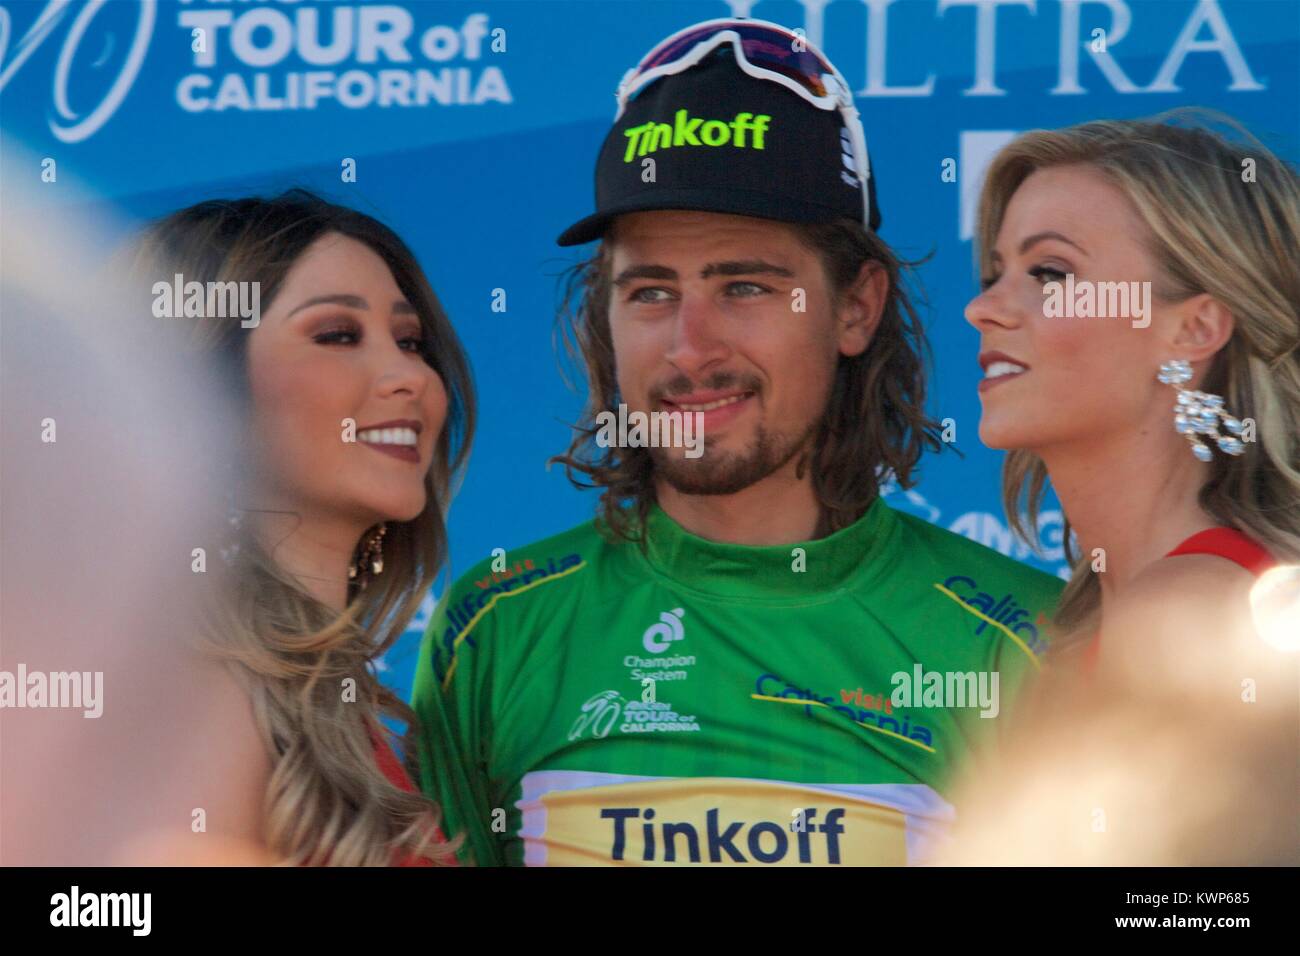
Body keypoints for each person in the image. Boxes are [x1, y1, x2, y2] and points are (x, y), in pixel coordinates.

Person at [411, 19, 1062, 867]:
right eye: (649, 292)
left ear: (856, 307)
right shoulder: (492, 630)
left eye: (746, 286)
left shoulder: (1017, 643)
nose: (690, 348)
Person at [944, 115, 1300, 864]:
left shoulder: (1192, 616)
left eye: (1050, 274)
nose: (984, 309)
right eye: (993, 274)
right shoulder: (1140, 608)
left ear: (1194, 328)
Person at [132, 189, 476, 865]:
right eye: (338, 336)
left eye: (410, 341)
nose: (408, 374)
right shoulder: (185, 693)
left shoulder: (328, 704)